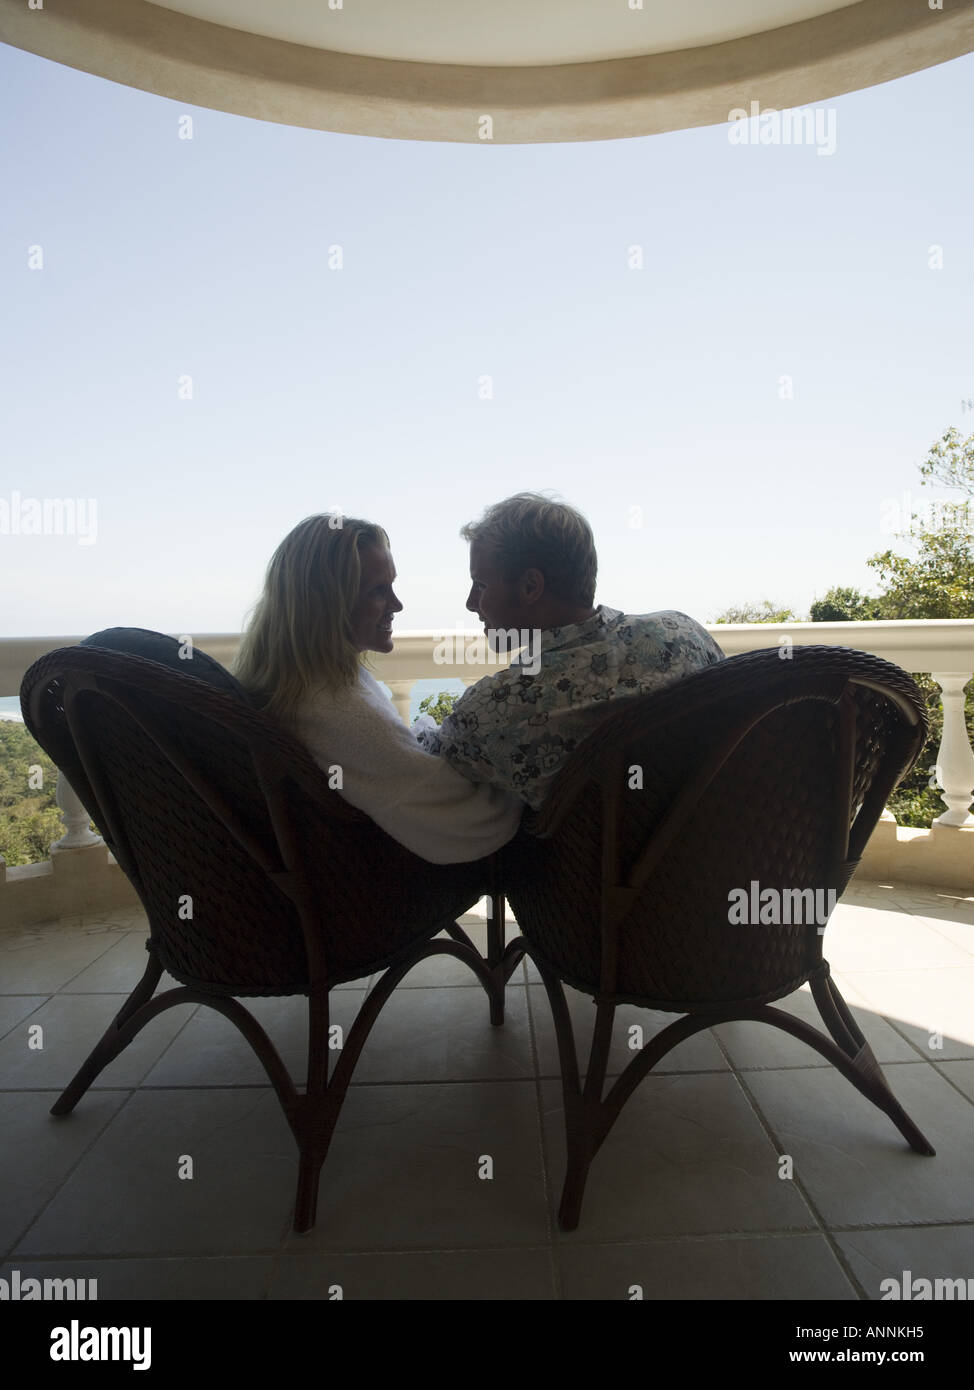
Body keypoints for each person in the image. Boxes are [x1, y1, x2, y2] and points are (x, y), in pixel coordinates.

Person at [233, 514, 523, 864]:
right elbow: (465, 823)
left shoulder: (296, 679)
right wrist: (520, 785)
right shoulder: (338, 709)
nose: (397, 605)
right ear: (327, 603)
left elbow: (391, 769)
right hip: (376, 883)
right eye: (378, 591)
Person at [416, 493, 725, 808]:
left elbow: (423, 766)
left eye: (480, 585)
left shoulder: (495, 710)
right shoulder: (684, 634)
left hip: (603, 855)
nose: (470, 603)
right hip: (725, 841)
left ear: (530, 587)